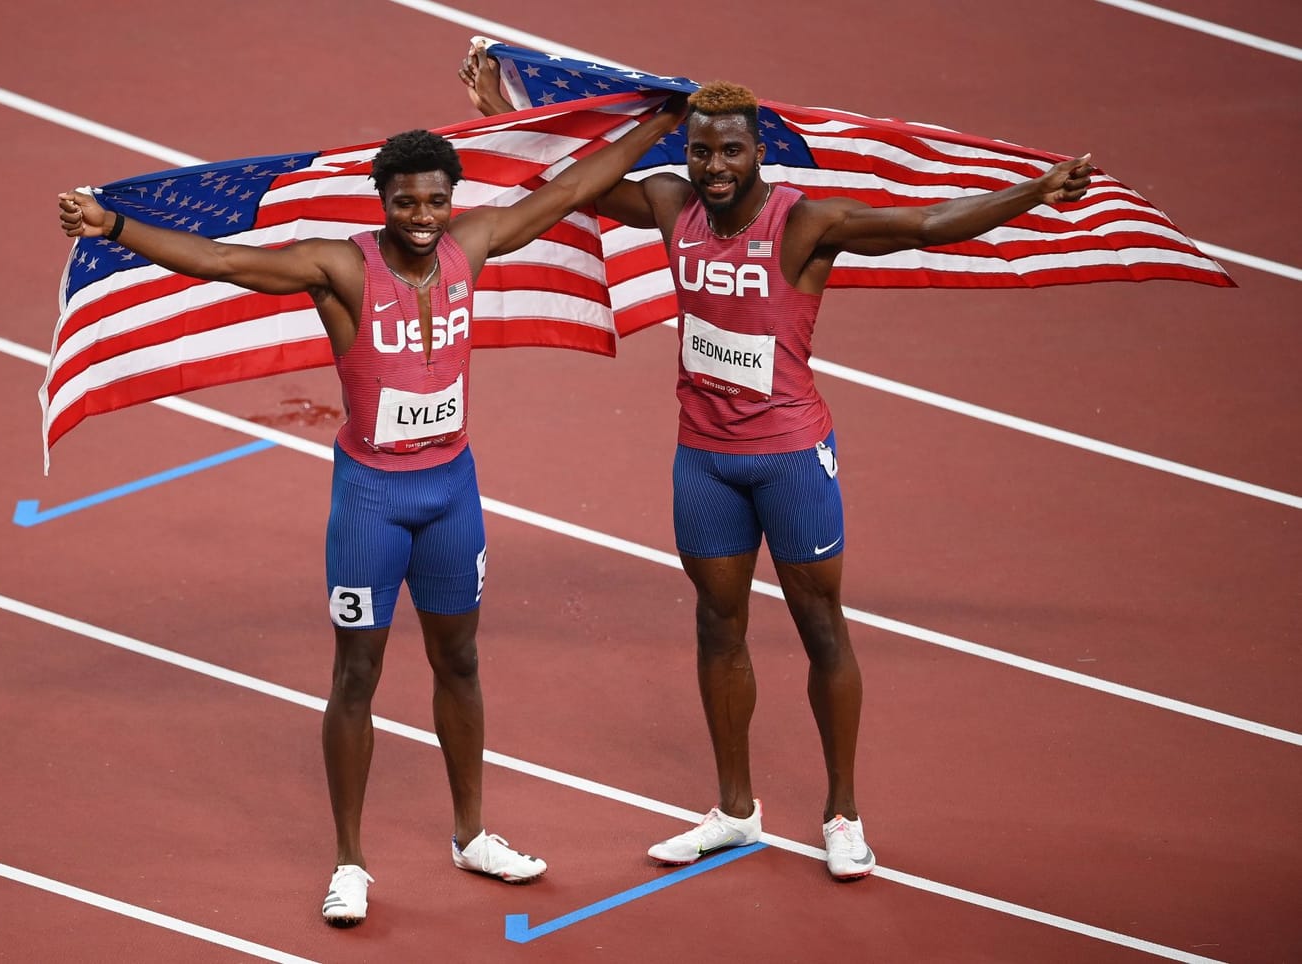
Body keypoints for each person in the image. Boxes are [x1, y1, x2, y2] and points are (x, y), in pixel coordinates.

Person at [460, 48, 1092, 881]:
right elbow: (573, 184)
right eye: (700, 151)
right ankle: (733, 810)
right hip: (705, 461)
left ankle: (843, 813)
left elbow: (926, 227)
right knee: (717, 625)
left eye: (729, 151)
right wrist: (498, 111)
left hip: (791, 458)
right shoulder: (670, 203)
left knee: (820, 627)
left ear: (759, 151)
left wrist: (1035, 193)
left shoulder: (805, 223)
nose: (714, 168)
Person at [58, 101, 686, 925]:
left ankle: (472, 835)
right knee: (357, 676)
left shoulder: (475, 242)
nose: (421, 219)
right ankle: (350, 862)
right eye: (404, 203)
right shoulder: (341, 268)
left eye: (433, 202)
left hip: (452, 492)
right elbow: (220, 262)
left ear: (450, 199)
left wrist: (657, 127)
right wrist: (112, 225)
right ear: (380, 200)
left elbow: (570, 191)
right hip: (372, 501)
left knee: (459, 663)